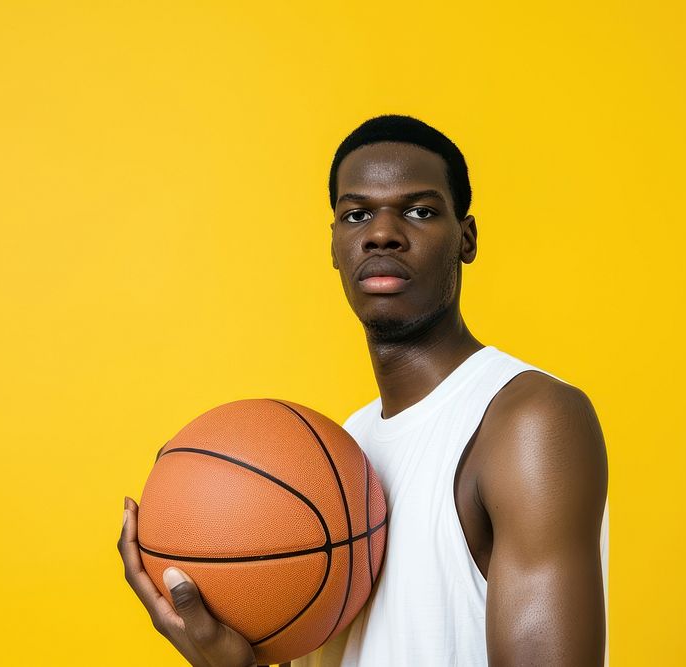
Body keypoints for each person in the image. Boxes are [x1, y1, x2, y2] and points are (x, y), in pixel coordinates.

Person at [118, 115, 609, 666]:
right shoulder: (337, 457)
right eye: (357, 215)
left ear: (466, 239)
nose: (382, 233)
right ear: (335, 246)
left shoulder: (528, 420)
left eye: (419, 211)